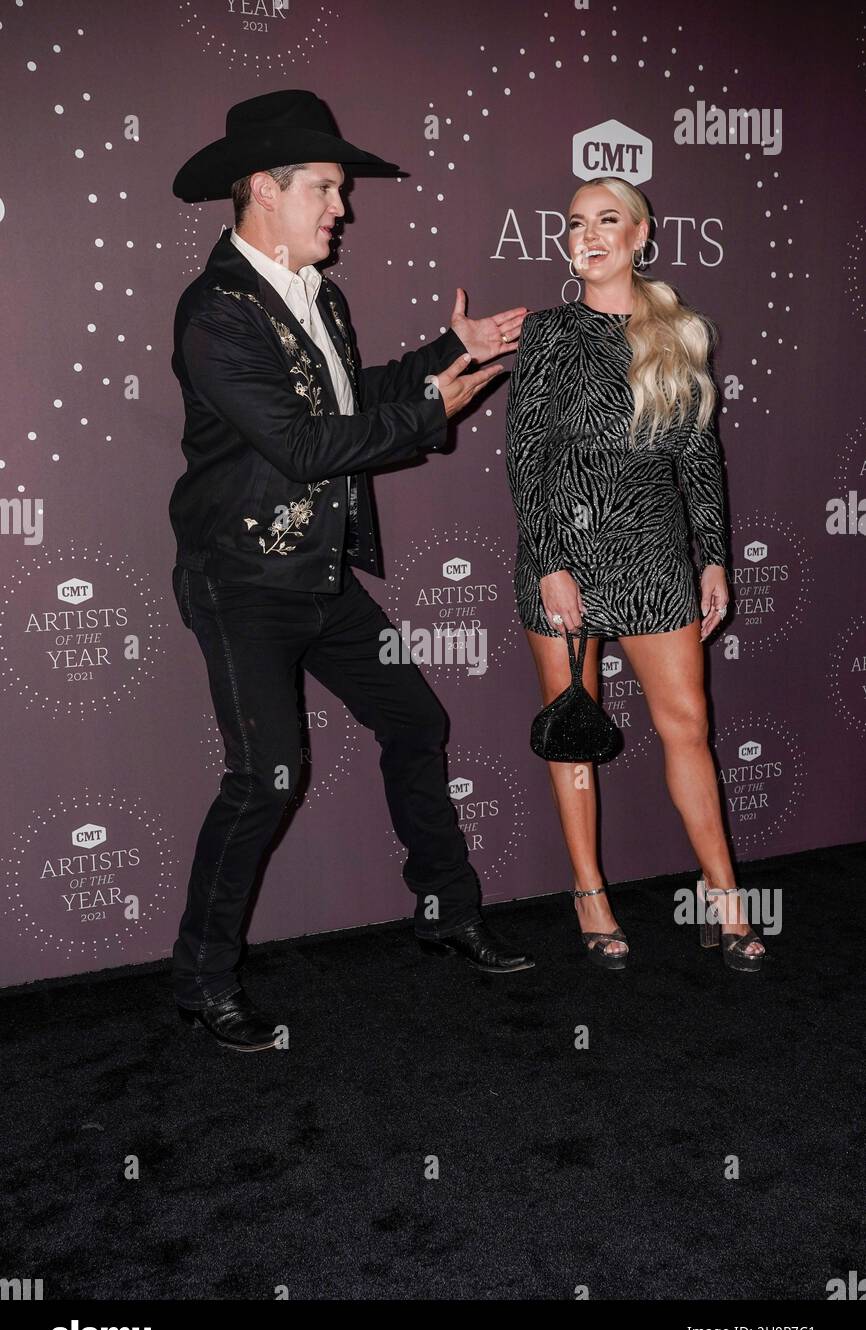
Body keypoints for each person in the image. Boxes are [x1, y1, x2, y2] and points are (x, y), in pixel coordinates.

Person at [169, 90, 535, 1052]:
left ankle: (444, 911)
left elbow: (350, 395)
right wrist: (433, 412)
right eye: (326, 188)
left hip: (318, 572)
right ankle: (202, 981)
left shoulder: (317, 293)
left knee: (418, 719)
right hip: (242, 579)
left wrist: (449, 354)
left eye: (338, 188)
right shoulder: (215, 311)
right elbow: (299, 442)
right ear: (261, 189)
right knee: (267, 780)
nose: (343, 207)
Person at [505, 175, 766, 975]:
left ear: (641, 237)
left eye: (606, 220)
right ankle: (590, 896)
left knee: (687, 725)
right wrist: (549, 562)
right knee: (574, 730)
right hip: (567, 558)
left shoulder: (679, 332)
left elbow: (697, 454)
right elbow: (526, 458)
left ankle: (725, 901)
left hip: (656, 554)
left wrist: (714, 553)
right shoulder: (548, 333)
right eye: (576, 223)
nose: (588, 235)